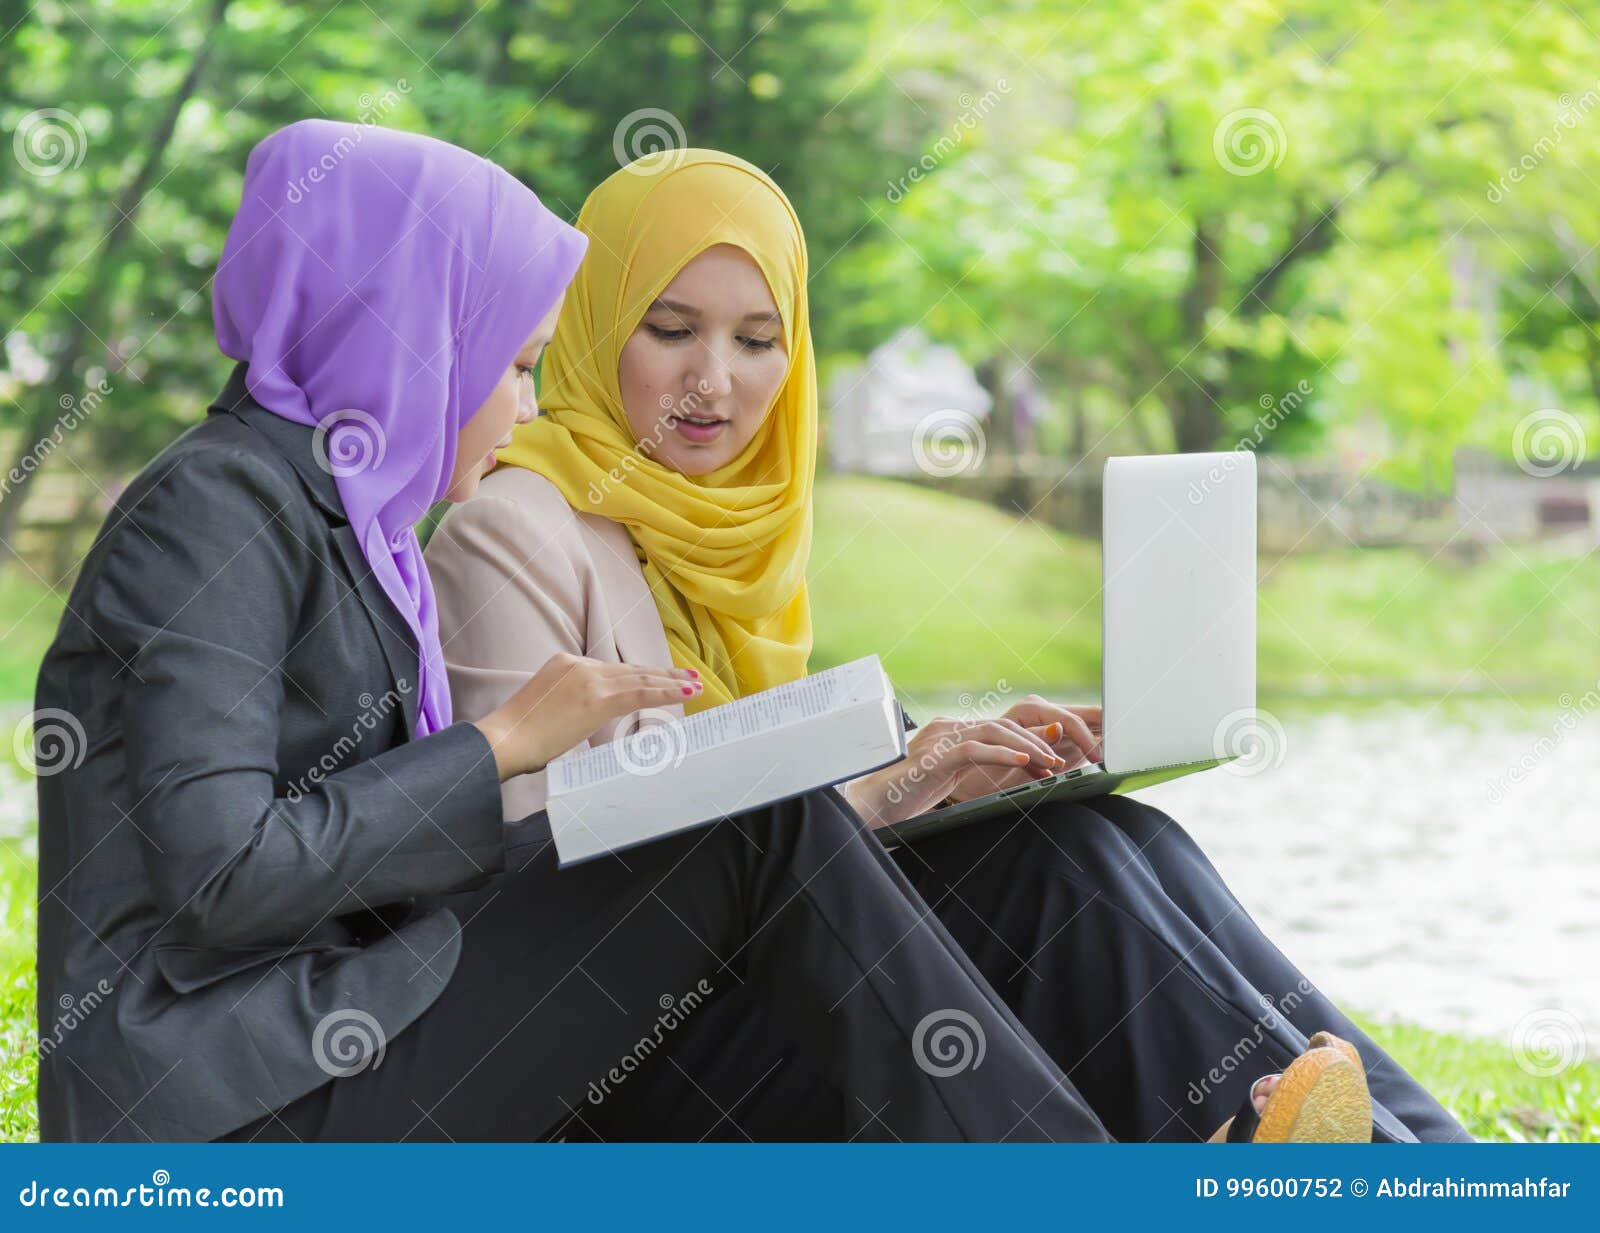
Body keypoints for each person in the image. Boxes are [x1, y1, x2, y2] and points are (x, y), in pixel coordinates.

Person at [423, 148, 1472, 1143]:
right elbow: (553, 889)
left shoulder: (736, 535)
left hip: (775, 970)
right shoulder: (517, 526)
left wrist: (937, 772)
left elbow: (754, 785)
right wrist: (879, 796)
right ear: (596, 325)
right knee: (1043, 883)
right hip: (633, 1061)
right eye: (669, 329)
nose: (716, 382)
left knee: (1106, 841)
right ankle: (1316, 1156)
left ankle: (1422, 1155)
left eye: (755, 340)